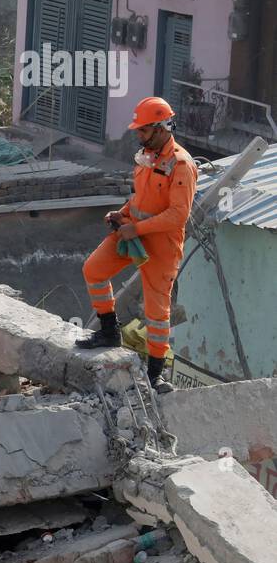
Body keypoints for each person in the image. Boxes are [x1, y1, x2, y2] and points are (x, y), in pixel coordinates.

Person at [76, 97, 198, 391]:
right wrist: (123, 213)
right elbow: (141, 197)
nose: (139, 136)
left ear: (161, 128)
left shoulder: (181, 165)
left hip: (161, 245)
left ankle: (155, 375)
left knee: (157, 313)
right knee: (94, 269)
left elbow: (178, 214)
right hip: (132, 234)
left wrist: (137, 227)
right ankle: (109, 332)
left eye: (144, 131)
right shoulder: (146, 157)